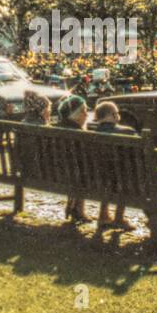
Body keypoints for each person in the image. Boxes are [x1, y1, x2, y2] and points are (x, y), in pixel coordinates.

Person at [90, 100, 136, 231]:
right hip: (124, 181)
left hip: (98, 179)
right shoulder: (128, 132)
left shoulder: (93, 132)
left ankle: (103, 215)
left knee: (109, 176)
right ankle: (118, 218)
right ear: (113, 115)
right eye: (116, 113)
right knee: (123, 175)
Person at [56, 93, 89, 223]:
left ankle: (74, 207)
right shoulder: (79, 135)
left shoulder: (54, 130)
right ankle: (79, 210)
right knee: (81, 172)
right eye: (84, 111)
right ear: (75, 113)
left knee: (74, 171)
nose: (87, 115)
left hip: (56, 175)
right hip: (74, 178)